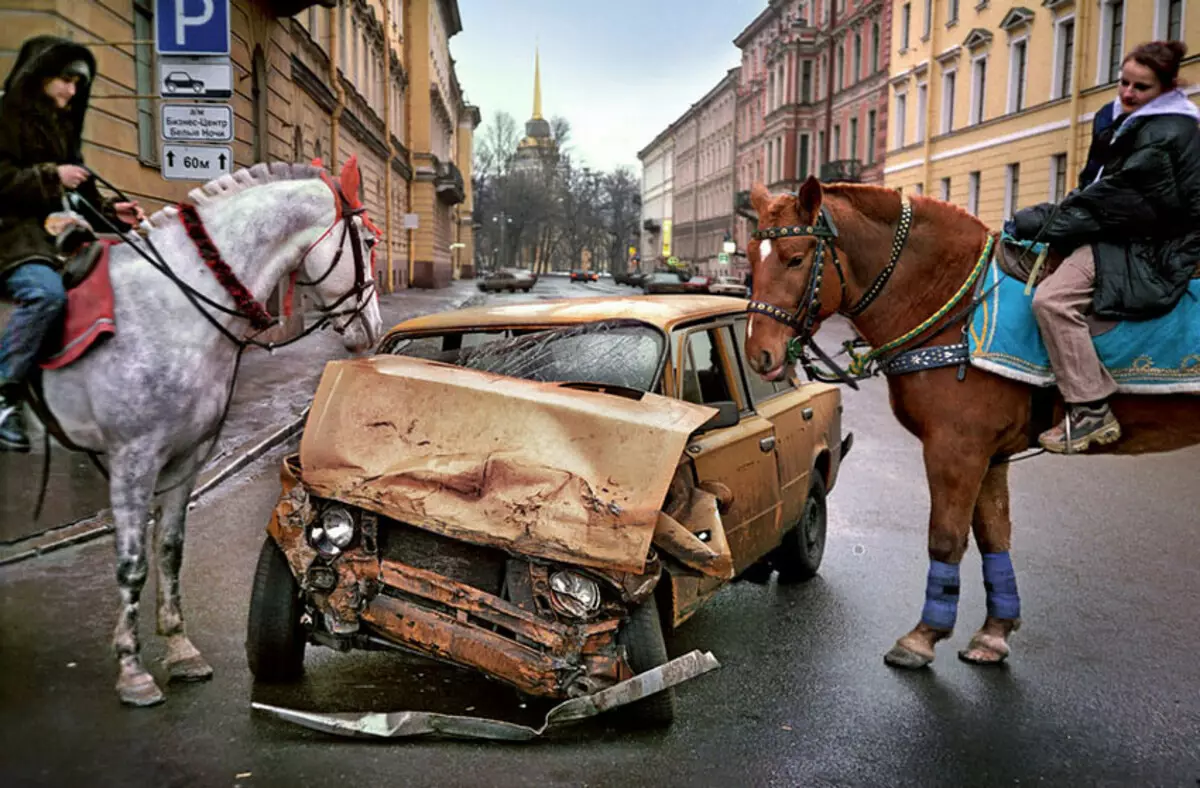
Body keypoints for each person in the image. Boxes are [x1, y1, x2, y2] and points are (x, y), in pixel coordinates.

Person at [1011, 41, 1200, 454]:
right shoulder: (1119, 118)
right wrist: (1055, 218)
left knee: (1052, 301)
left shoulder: (1169, 131)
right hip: (1116, 229)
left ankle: (1089, 408)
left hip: (1150, 244)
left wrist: (1049, 222)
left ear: (1167, 89)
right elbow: (1092, 187)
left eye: (1141, 87)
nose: (1128, 93)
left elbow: (1120, 202)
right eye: (1124, 82)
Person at [0, 36, 143, 452]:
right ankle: (4, 395)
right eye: (66, 80)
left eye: (78, 84)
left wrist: (115, 213)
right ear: (40, 78)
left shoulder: (63, 127)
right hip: (13, 240)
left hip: (60, 240)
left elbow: (80, 198)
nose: (72, 91)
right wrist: (51, 175)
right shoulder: (4, 116)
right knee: (45, 296)